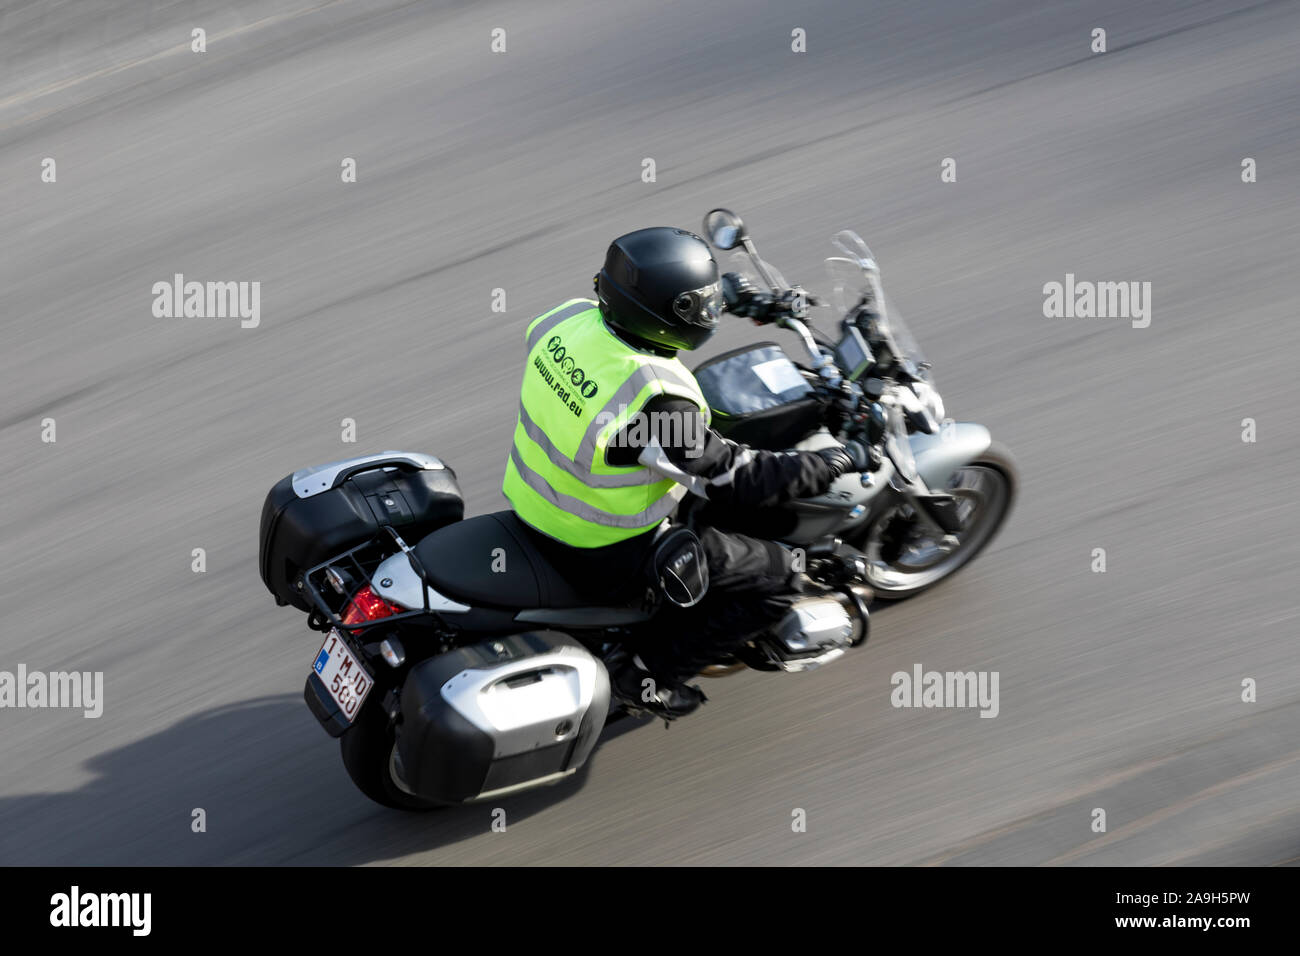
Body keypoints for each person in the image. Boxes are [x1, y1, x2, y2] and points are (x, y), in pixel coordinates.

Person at [502, 226, 853, 719]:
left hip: (538, 497)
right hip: (604, 545)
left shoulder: (565, 320)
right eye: (699, 306)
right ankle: (647, 675)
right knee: (780, 578)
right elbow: (735, 479)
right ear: (669, 316)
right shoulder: (656, 395)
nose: (709, 312)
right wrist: (829, 462)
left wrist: (736, 299)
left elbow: (639, 312)